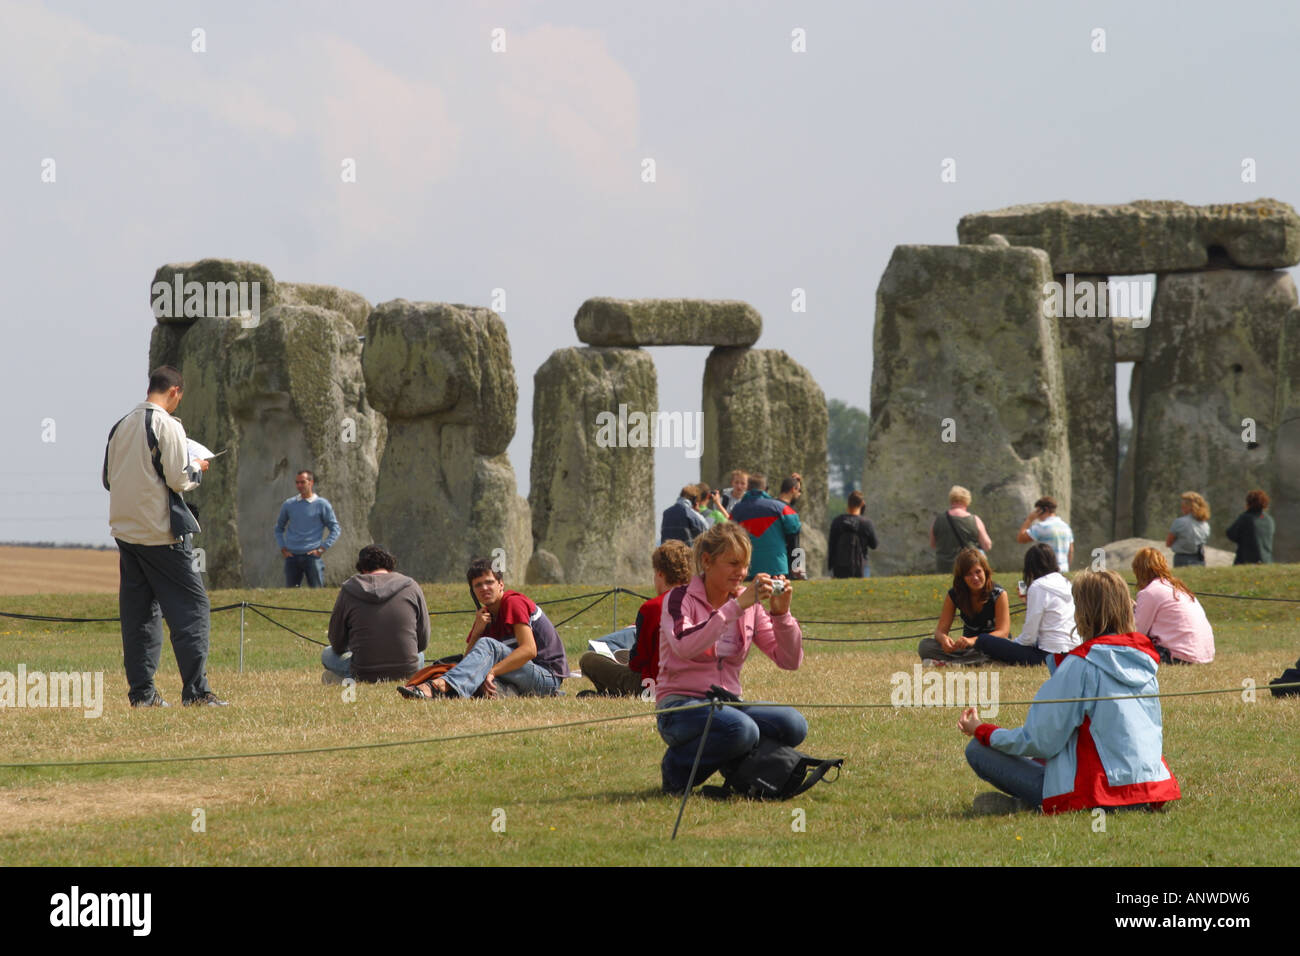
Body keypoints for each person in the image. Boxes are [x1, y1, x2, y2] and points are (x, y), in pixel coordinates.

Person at [958, 569, 1182, 814]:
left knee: (978, 751)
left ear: (1082, 612)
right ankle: (1025, 804)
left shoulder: (1080, 665)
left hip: (1099, 794)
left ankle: (1028, 804)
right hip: (1148, 789)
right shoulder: (1143, 660)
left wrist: (982, 730)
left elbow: (1039, 741)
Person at [102, 365, 225, 707]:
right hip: (161, 534)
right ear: (174, 392)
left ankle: (143, 695)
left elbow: (108, 479)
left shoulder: (121, 425)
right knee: (192, 609)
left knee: (139, 614)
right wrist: (197, 469)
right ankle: (197, 692)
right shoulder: (165, 424)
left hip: (126, 533)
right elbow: (178, 479)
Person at [655, 522, 806, 794]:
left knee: (794, 725)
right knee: (743, 730)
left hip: (728, 705)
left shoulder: (749, 605)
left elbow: (790, 660)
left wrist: (782, 615)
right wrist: (734, 608)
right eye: (734, 563)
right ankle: (676, 770)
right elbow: (685, 645)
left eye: (746, 565)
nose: (742, 573)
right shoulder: (678, 599)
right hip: (680, 706)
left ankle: (739, 769)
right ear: (706, 561)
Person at [399, 558, 567, 699]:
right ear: (473, 591)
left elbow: (529, 650)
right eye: (478, 585)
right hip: (520, 675)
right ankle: (508, 692)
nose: (484, 588)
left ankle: (437, 686)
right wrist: (477, 632)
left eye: (489, 582)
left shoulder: (513, 602)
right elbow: (469, 662)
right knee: (480, 677)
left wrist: (493, 671)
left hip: (547, 676)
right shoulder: (485, 615)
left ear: (501, 584)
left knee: (488, 648)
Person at [577, 541, 693, 697]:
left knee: (589, 660)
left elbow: (638, 661)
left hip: (652, 687)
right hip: (694, 685)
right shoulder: (701, 603)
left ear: (660, 574)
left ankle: (610, 692)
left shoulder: (652, 608)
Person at [323, 545, 430, 683]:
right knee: (420, 655)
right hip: (407, 669)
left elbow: (337, 643)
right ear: (390, 565)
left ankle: (339, 679)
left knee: (327, 654)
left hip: (363, 671)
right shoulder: (411, 586)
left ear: (362, 568)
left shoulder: (348, 590)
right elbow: (423, 641)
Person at [960, 543, 1078, 667]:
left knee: (983, 640)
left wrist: (1012, 643)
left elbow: (1029, 638)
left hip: (1049, 656)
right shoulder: (1067, 584)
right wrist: (1028, 602)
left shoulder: (1038, 586)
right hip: (1072, 654)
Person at [917, 548, 1009, 666]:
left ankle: (954, 663)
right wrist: (944, 639)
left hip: (992, 646)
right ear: (962, 578)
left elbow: (1003, 632)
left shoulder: (999, 594)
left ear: (985, 571)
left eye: (978, 572)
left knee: (1001, 649)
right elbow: (940, 631)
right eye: (969, 574)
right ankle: (967, 663)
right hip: (966, 649)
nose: (975, 578)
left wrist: (973, 640)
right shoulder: (955, 595)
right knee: (925, 646)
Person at [1132, 548, 1215, 664]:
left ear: (1138, 570)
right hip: (1203, 656)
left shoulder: (1150, 592)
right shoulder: (1179, 589)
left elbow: (1136, 632)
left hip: (1178, 657)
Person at [274, 470, 341, 587]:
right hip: (292, 557)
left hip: (312, 557)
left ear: (311, 483)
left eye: (302, 482)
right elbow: (279, 528)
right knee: (290, 595)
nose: (299, 486)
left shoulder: (322, 504)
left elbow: (335, 529)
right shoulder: (289, 504)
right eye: (297, 483)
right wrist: (283, 548)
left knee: (316, 593)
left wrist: (322, 549)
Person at [729, 473, 802, 578]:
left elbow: (729, 534)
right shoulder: (780, 508)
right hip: (777, 567)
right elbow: (795, 529)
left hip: (748, 567)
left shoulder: (736, 510)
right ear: (765, 488)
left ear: (748, 488)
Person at [929, 485, 992, 574]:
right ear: (967, 500)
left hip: (944, 567)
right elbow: (987, 545)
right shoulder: (974, 520)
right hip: (969, 567)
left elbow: (933, 544)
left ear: (951, 500)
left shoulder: (938, 520)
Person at [827, 490, 879, 578]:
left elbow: (832, 546)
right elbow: (874, 545)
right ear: (862, 504)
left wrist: (830, 567)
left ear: (848, 503)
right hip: (861, 566)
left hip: (840, 567)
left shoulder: (837, 521)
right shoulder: (866, 523)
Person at [1016, 496, 1074, 573]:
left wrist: (1029, 520)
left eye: (1037, 510)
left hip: (1046, 570)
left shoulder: (1042, 527)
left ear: (1045, 509)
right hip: (1063, 569)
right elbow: (1071, 550)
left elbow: (1021, 538)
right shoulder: (1066, 527)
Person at [1225, 490, 1275, 565]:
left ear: (1249, 503)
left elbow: (1230, 533)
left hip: (1245, 561)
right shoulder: (1269, 520)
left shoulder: (1246, 518)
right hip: (1267, 561)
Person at [1165, 492, 1210, 568]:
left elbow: (1168, 543)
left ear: (1189, 507)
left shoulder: (1179, 522)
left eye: (1183, 505)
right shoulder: (1205, 525)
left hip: (1182, 559)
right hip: (1200, 559)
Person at [777, 474, 806, 579]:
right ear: (793, 489)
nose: (799, 495)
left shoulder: (772, 507)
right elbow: (794, 541)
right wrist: (797, 566)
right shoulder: (789, 511)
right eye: (799, 491)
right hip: (786, 562)